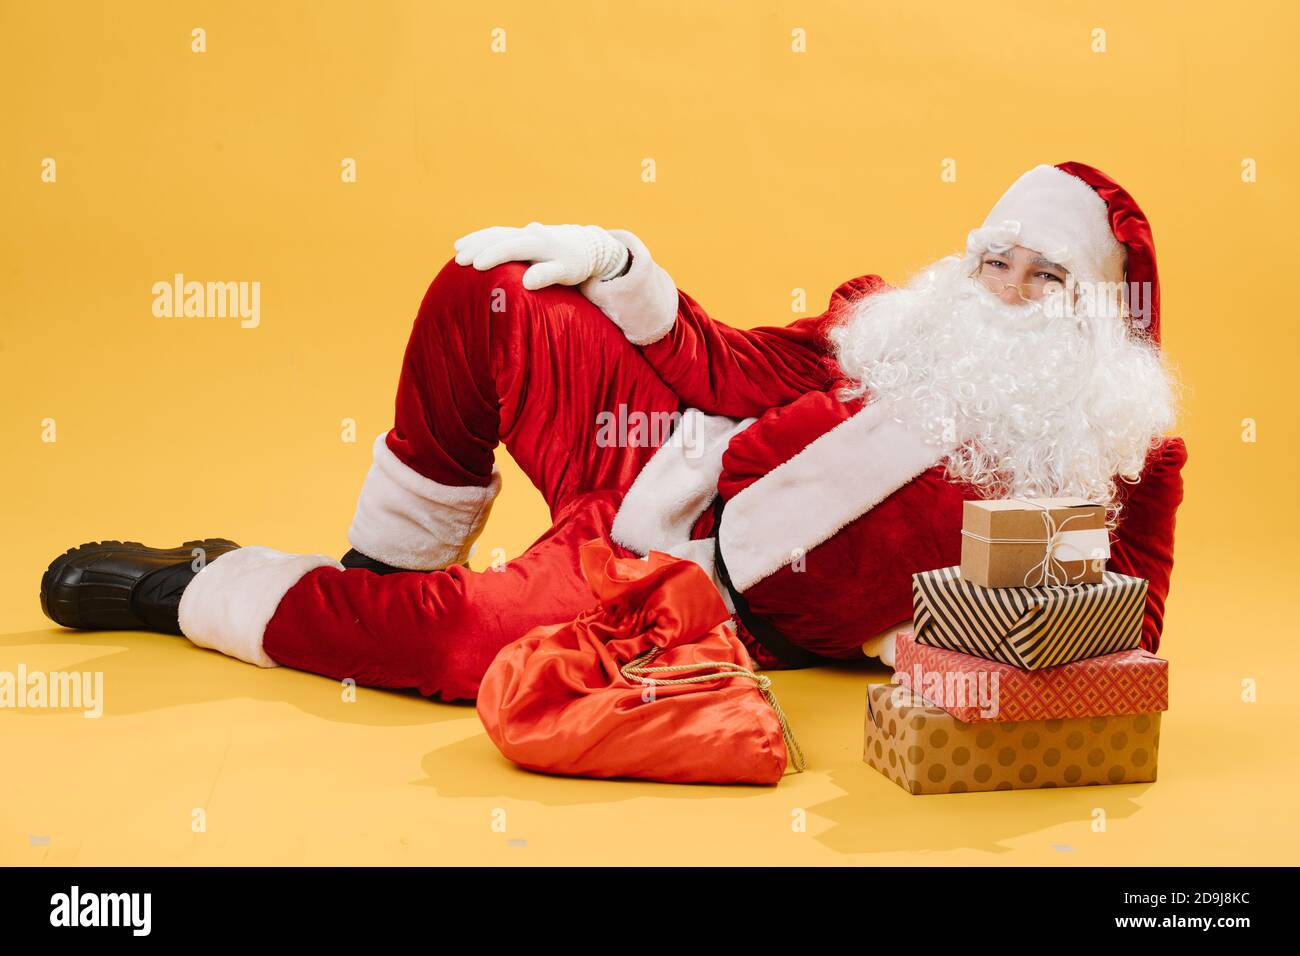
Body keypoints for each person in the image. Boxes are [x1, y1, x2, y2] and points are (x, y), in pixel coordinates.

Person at [40, 162, 1185, 702]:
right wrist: (627, 275)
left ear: (1096, 316)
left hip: (693, 592)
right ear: (966, 256)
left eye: (1049, 277)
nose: (1006, 288)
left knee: (457, 650)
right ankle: (382, 565)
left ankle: (195, 585)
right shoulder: (885, 322)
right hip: (664, 460)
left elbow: (1125, 629)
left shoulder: (1121, 451)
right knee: (492, 286)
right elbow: (729, 368)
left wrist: (937, 638)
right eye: (996, 257)